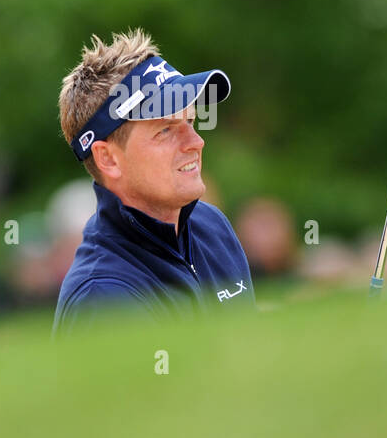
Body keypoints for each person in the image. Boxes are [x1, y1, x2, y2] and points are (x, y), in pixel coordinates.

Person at [53, 29, 255, 334]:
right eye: (165, 129)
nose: (196, 142)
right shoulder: (103, 297)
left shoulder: (211, 226)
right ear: (108, 159)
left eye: (189, 120)